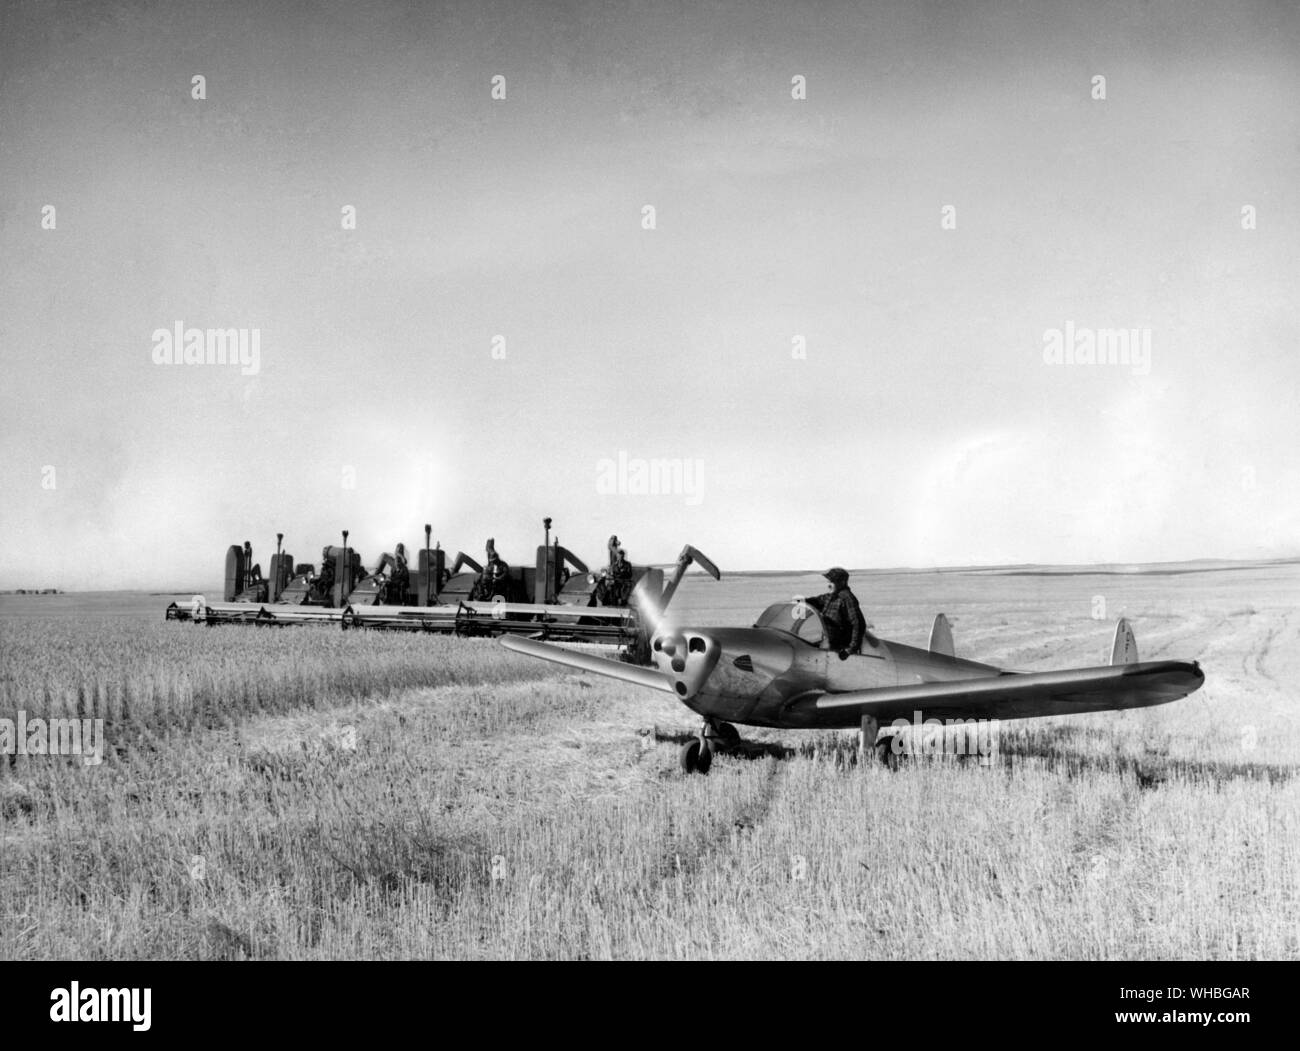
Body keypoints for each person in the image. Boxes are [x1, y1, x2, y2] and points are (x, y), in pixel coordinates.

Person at [807, 567, 866, 660]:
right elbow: (817, 601)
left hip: (838, 649)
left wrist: (849, 650)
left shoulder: (847, 598)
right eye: (828, 582)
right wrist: (801, 600)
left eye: (832, 582)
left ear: (842, 583)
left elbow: (858, 624)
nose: (829, 585)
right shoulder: (832, 596)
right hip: (827, 643)